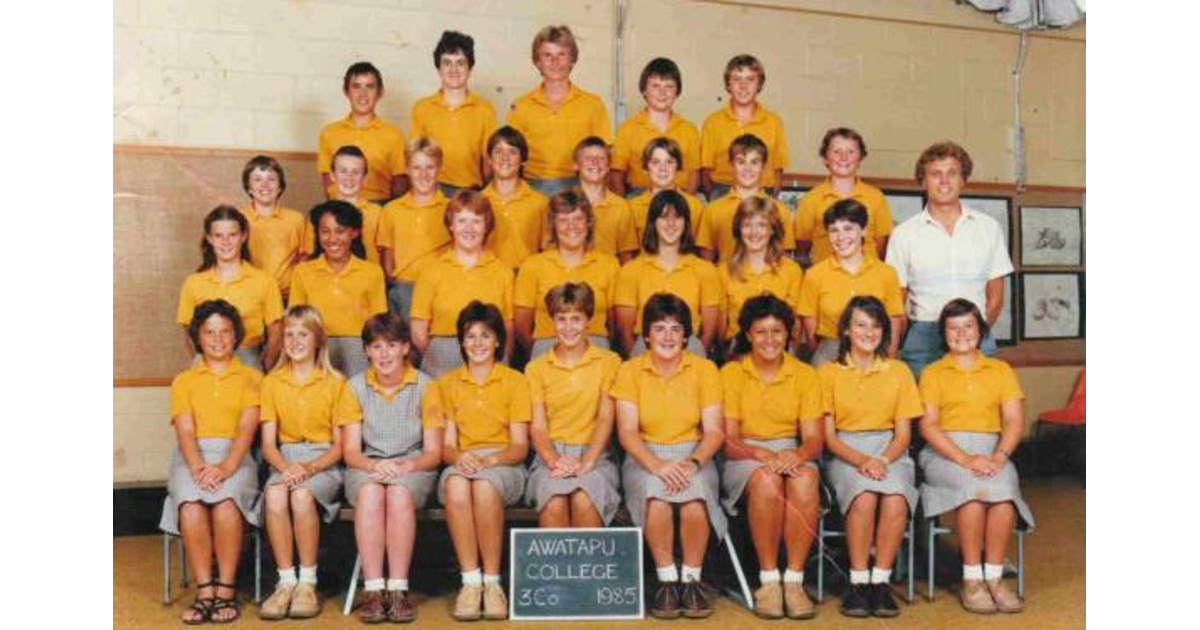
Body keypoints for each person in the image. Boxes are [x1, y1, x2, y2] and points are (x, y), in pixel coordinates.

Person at [612, 293, 726, 619]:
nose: (667, 337)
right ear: (646, 335)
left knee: (694, 499)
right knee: (657, 498)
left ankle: (690, 581)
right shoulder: (630, 371)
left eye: (676, 329)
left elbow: (715, 432)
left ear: (686, 335)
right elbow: (628, 433)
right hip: (645, 458)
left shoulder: (704, 370)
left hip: (694, 456)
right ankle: (665, 581)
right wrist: (657, 466)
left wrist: (691, 464)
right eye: (659, 328)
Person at [917, 298, 1033, 615]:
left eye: (968, 325)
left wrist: (1000, 456)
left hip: (993, 449)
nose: (961, 333)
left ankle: (994, 577)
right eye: (953, 328)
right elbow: (928, 425)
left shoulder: (1000, 370)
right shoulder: (932, 373)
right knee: (973, 493)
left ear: (980, 330)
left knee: (1003, 493)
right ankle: (972, 579)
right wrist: (965, 459)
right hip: (946, 452)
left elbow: (1013, 420)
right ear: (944, 333)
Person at [818, 295, 923, 619]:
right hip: (846, 451)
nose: (869, 332)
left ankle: (880, 581)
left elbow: (903, 434)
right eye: (860, 325)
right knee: (863, 497)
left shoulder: (899, 371)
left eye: (876, 326)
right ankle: (858, 581)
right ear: (846, 331)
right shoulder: (828, 373)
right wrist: (862, 461)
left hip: (890, 450)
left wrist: (883, 460)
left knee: (894, 498)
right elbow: (829, 436)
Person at [719, 295, 822, 619]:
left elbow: (814, 440)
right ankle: (768, 581)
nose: (769, 340)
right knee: (767, 480)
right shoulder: (732, 374)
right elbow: (728, 440)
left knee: (805, 479)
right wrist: (758, 453)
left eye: (777, 331)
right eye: (761, 332)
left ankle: (793, 580)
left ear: (789, 334)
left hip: (791, 450)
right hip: (744, 455)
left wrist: (797, 454)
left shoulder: (805, 375)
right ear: (748, 334)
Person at [161, 299, 263, 624]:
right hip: (192, 457)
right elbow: (185, 432)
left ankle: (226, 590)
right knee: (190, 504)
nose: (217, 339)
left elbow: (247, 431)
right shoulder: (184, 381)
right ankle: (205, 590)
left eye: (225, 332)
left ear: (236, 336)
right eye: (209, 333)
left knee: (225, 504)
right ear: (197, 337)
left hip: (235, 456)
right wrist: (198, 469)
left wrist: (225, 469)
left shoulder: (252, 378)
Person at [342, 313, 445, 623]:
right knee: (372, 494)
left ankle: (398, 589)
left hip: (413, 465)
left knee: (398, 495)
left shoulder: (426, 386)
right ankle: (374, 589)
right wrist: (377, 465)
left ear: (405, 348)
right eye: (376, 346)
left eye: (392, 345)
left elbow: (434, 452)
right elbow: (350, 451)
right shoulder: (354, 387)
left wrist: (406, 466)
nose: (384, 354)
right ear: (366, 351)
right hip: (368, 464)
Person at [258, 305, 359, 620]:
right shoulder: (272, 382)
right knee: (275, 494)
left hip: (323, 461)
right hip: (286, 458)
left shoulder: (336, 382)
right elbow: (268, 445)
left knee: (302, 496)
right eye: (289, 334)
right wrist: (286, 468)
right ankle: (286, 580)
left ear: (318, 340)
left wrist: (309, 469)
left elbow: (341, 445)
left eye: (303, 334)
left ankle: (307, 582)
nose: (295, 341)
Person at [885, 141, 1013, 379]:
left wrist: (973, 332)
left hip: (976, 336)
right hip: (924, 339)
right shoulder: (904, 234)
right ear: (923, 182)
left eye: (952, 173)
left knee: (976, 412)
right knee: (925, 415)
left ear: (963, 180)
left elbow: (995, 299)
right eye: (935, 174)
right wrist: (890, 354)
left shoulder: (988, 228)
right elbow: (895, 305)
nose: (944, 181)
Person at [437, 302, 531, 621]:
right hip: (461, 462)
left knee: (485, 488)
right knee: (458, 488)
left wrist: (490, 460)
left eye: (485, 336)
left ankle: (492, 583)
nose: (477, 343)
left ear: (497, 342)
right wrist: (460, 458)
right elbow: (446, 446)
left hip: (504, 464)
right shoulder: (447, 385)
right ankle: (470, 582)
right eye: (470, 336)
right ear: (461, 343)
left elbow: (519, 446)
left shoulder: (515, 381)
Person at [525, 283, 623, 527]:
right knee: (555, 500)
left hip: (597, 454)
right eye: (561, 319)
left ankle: (588, 566)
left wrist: (587, 461)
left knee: (583, 498)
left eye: (576, 319)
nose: (568, 327)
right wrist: (553, 460)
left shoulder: (610, 362)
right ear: (552, 321)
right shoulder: (535, 368)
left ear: (588, 320)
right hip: (550, 455)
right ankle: (557, 567)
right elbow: (537, 427)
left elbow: (605, 419)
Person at [410, 190, 514, 377]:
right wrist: (438, 360)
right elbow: (418, 329)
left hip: (490, 355)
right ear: (451, 226)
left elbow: (508, 328)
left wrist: (499, 359)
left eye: (476, 221)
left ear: (486, 226)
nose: (469, 228)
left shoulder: (502, 272)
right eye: (462, 221)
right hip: (442, 357)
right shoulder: (431, 271)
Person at [508, 25, 612, 197]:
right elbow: (512, 156)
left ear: (572, 59)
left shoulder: (593, 104)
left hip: (579, 187)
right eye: (547, 55)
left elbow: (605, 157)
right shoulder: (520, 106)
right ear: (537, 61)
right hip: (532, 187)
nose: (554, 62)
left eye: (561, 54)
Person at [515, 190, 620, 360]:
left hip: (596, 345)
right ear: (553, 226)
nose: (572, 226)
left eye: (578, 219)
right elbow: (521, 326)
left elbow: (615, 326)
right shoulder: (532, 265)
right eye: (563, 220)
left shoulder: (609, 265)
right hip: (547, 344)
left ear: (588, 223)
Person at [614, 190, 721, 357]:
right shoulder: (631, 270)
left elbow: (708, 333)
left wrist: (696, 366)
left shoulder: (705, 270)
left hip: (689, 346)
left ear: (686, 223)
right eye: (664, 217)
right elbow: (625, 333)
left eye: (677, 217)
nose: (671, 223)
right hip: (646, 347)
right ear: (652, 223)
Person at [798, 199, 904, 367]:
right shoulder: (814, 275)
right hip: (830, 352)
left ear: (863, 230)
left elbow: (894, 321)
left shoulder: (886, 273)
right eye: (834, 230)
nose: (841, 237)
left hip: (875, 351)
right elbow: (811, 333)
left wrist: (887, 361)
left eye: (848, 229)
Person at [176, 205, 283, 372]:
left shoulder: (264, 281)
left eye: (232, 235)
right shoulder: (193, 283)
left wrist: (263, 368)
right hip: (208, 357)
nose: (225, 242)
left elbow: (276, 332)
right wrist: (205, 358)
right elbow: (188, 333)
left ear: (243, 236)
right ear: (209, 239)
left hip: (248, 356)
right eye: (218, 236)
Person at [289, 200, 388, 377]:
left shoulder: (372, 272)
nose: (332, 239)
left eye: (340, 231)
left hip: (358, 350)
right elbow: (296, 320)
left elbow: (377, 324)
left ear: (354, 233)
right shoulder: (302, 272)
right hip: (316, 348)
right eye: (325, 232)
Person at [411, 30, 497, 195]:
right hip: (432, 191)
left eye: (460, 63)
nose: (454, 69)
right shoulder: (422, 108)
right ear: (438, 68)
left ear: (470, 67)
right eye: (447, 62)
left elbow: (488, 161)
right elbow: (416, 158)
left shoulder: (485, 110)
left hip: (470, 192)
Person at [718, 196, 803, 357]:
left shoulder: (791, 270)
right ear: (739, 229)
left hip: (777, 349)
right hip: (739, 350)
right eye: (747, 225)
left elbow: (795, 326)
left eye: (761, 225)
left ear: (772, 229)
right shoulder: (724, 271)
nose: (754, 232)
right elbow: (721, 329)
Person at [794, 128, 893, 265]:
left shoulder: (876, 197)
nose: (844, 157)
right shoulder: (811, 199)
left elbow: (882, 247)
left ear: (860, 158)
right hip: (825, 281)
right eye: (836, 152)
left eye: (851, 152)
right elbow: (802, 248)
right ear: (825, 158)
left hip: (867, 280)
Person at [377, 138, 451, 319]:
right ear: (407, 170)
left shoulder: (451, 209)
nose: (423, 174)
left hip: (441, 287)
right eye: (417, 168)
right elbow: (388, 260)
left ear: (440, 169)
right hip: (404, 288)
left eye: (430, 167)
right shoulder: (391, 210)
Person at [317, 61, 407, 202]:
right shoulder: (329, 133)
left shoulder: (393, 134)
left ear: (380, 92)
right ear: (346, 91)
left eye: (370, 86)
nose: (363, 93)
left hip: (378, 205)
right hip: (341, 205)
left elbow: (399, 181)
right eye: (356, 86)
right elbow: (327, 180)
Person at [700, 54, 787, 200]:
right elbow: (705, 171)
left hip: (763, 193)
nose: (743, 86)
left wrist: (770, 201)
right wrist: (718, 203)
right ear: (728, 84)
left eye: (750, 79)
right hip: (723, 191)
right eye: (737, 79)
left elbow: (778, 170)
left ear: (759, 84)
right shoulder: (713, 122)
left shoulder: (774, 122)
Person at [611, 57, 700, 196]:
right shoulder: (627, 129)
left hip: (680, 195)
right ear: (644, 90)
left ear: (677, 92)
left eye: (669, 86)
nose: (662, 92)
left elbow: (694, 174)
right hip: (640, 194)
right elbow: (617, 174)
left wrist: (687, 204)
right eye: (655, 86)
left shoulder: (689, 129)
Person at [701, 133, 795, 263]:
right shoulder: (713, 210)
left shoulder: (780, 210)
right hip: (726, 282)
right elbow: (707, 263)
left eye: (754, 162)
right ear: (731, 164)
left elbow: (785, 261)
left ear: (763, 166)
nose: (748, 168)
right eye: (741, 162)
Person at [480, 127, 549, 269]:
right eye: (498, 151)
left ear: (523, 159)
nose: (505, 157)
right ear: (489, 159)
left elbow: (548, 249)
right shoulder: (478, 202)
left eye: (512, 152)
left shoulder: (540, 203)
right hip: (488, 278)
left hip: (526, 277)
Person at [241, 155, 308, 298]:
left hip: (286, 296)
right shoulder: (239, 219)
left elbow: (304, 258)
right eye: (257, 179)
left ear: (280, 187)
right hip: (250, 296)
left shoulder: (296, 219)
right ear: (249, 188)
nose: (265, 185)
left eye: (271, 179)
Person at [628, 137, 710, 253]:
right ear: (646, 168)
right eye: (656, 162)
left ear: (678, 167)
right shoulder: (632, 208)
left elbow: (699, 252)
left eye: (669, 162)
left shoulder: (695, 206)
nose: (663, 168)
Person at [573, 136, 638, 262]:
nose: (595, 162)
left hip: (607, 279)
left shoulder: (622, 207)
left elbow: (626, 257)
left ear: (608, 166)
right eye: (588, 158)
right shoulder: (562, 203)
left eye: (601, 158)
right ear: (575, 165)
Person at [319, 145, 384, 266]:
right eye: (343, 171)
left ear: (364, 178)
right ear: (332, 175)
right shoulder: (320, 214)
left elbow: (385, 255)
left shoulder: (378, 213)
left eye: (356, 172)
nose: (349, 178)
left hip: (367, 280)